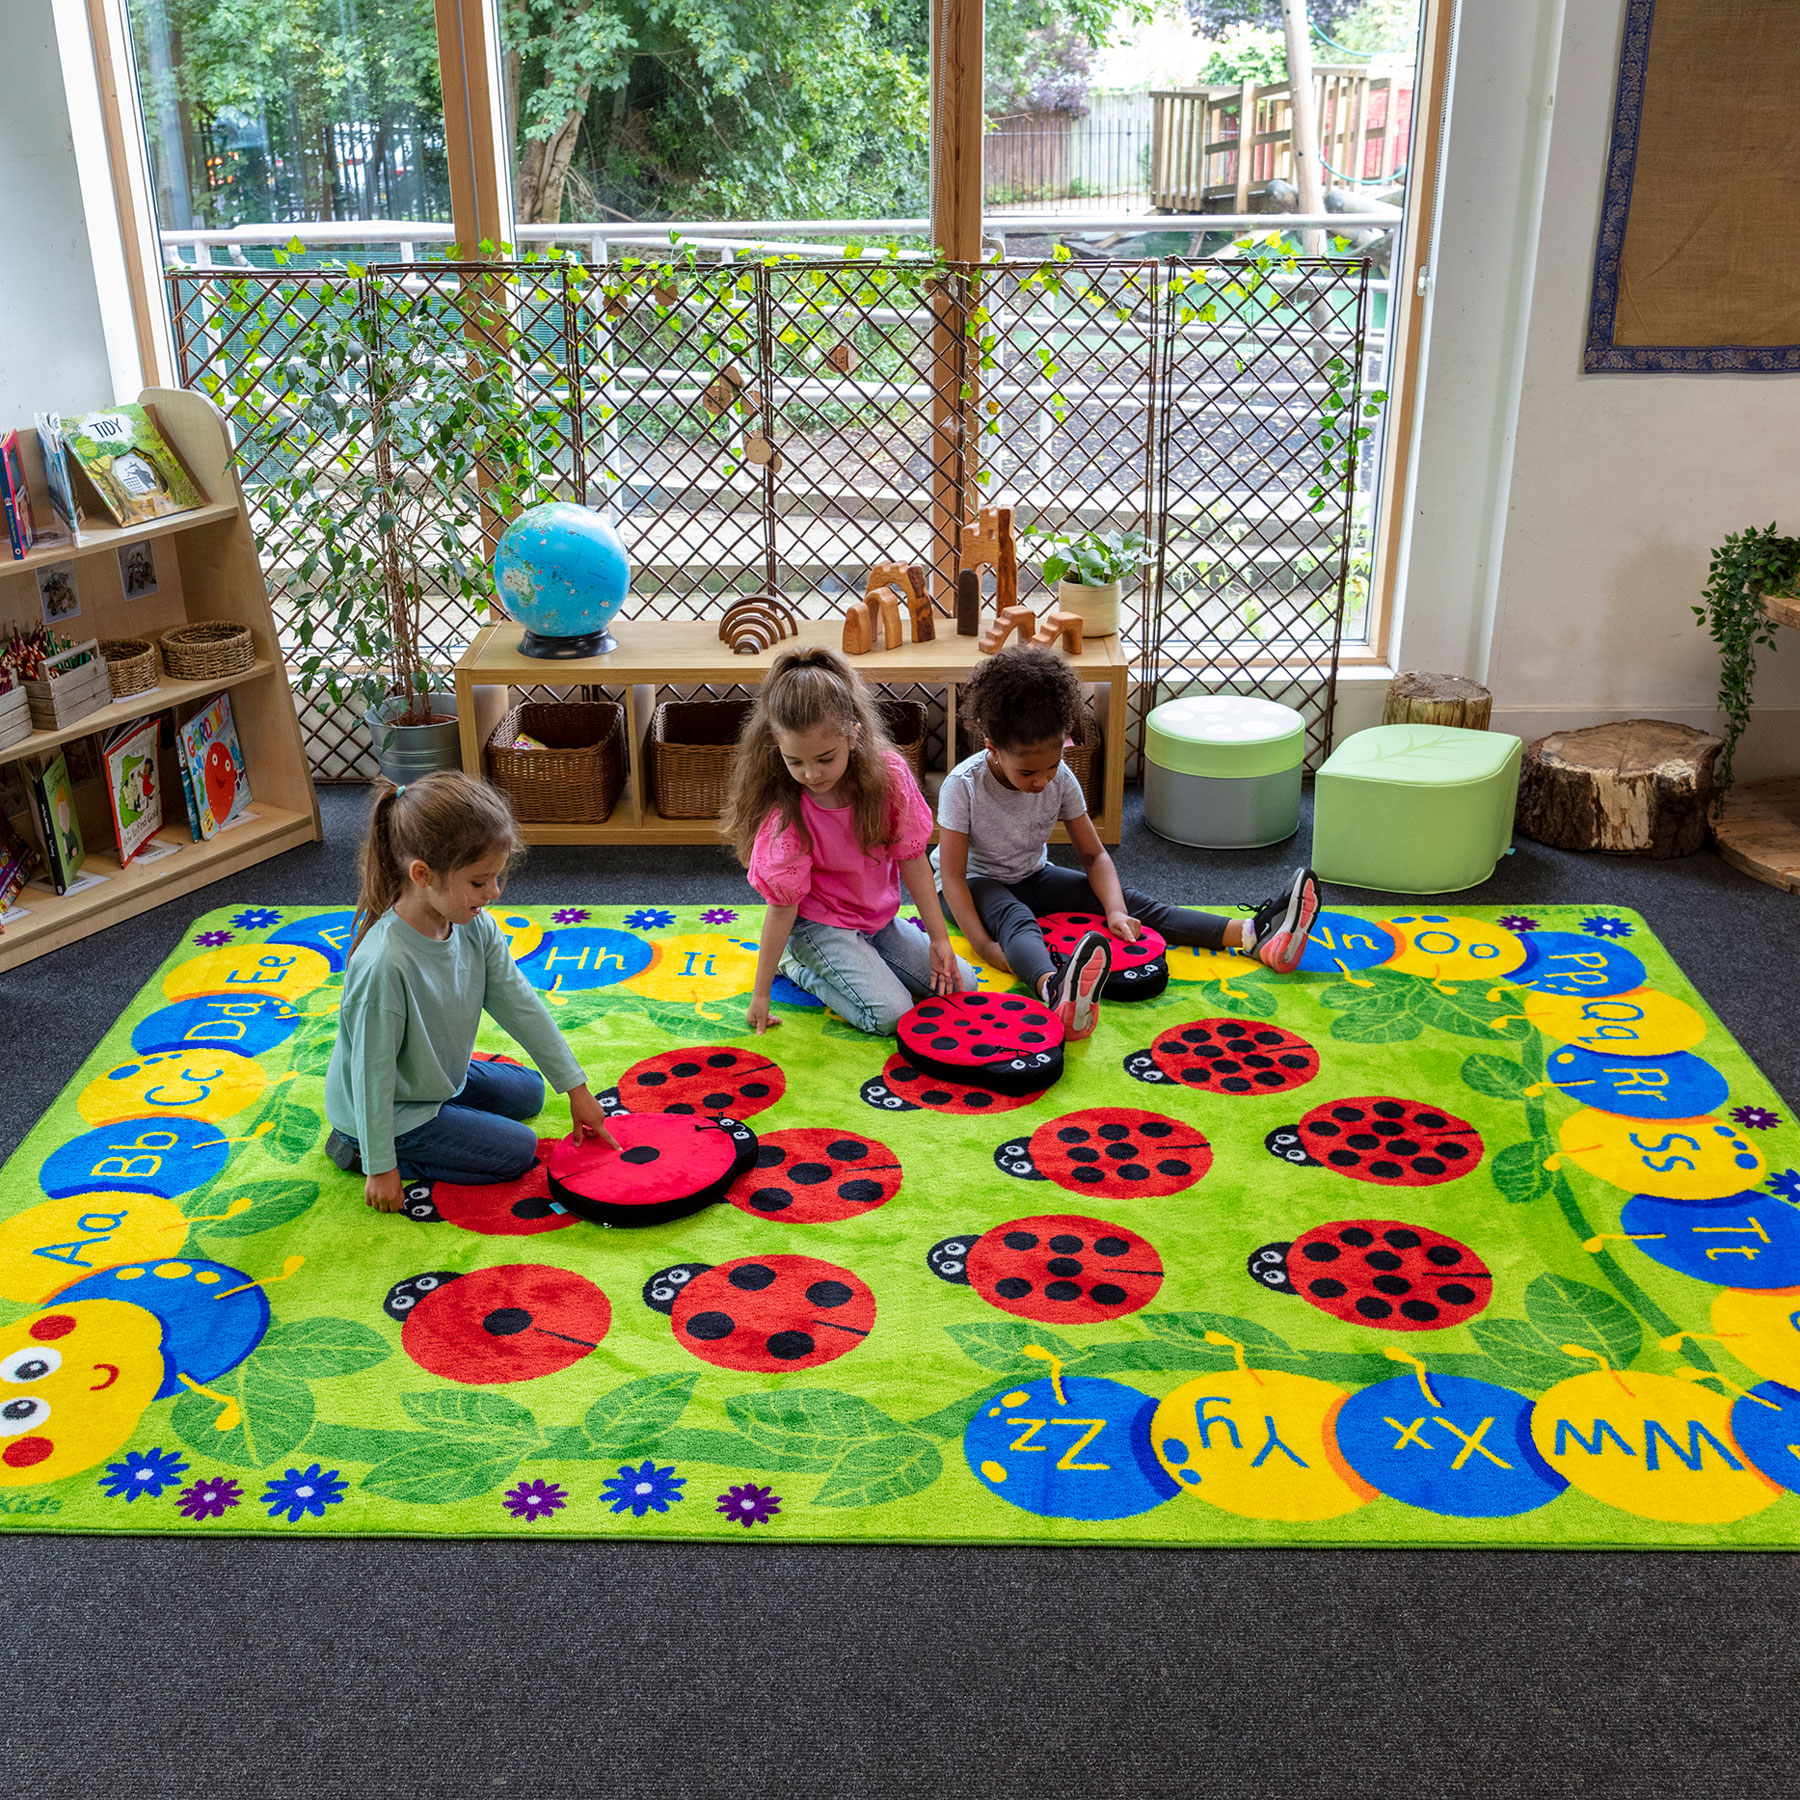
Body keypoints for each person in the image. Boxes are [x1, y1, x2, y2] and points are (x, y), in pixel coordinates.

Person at [937, 645, 1319, 1038]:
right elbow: (950, 877)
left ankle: (1252, 935)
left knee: (1130, 901)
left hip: (1032, 875)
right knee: (1018, 920)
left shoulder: (1062, 779)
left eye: (1052, 765)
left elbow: (1093, 854)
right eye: (1028, 771)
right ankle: (1055, 990)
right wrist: (983, 945)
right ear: (993, 749)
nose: (1042, 780)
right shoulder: (963, 787)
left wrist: (1116, 910)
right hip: (972, 883)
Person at [324, 771, 617, 1212]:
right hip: (386, 1111)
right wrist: (381, 1167)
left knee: (531, 1092)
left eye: (497, 878)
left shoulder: (473, 925)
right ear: (422, 875)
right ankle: (361, 1150)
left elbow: (520, 1004)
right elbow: (372, 1074)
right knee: (519, 1151)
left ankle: (439, 1124)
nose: (494, 893)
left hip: (433, 1083)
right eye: (479, 883)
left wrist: (576, 1089)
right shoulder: (384, 963)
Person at [723, 644, 977, 1037]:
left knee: (962, 984)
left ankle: (862, 961)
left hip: (875, 919)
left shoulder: (888, 776)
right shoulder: (787, 811)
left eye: (825, 758)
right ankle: (798, 966)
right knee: (892, 1016)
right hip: (817, 926)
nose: (811, 774)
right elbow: (782, 908)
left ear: (853, 736)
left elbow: (913, 859)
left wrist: (939, 939)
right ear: (777, 745)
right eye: (795, 761)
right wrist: (761, 993)